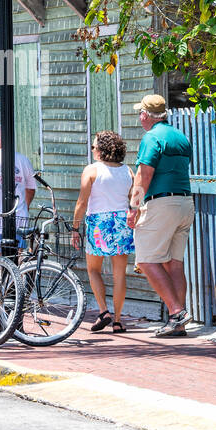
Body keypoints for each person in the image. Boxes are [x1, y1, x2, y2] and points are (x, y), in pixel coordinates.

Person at [129, 94, 194, 338]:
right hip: (185, 202)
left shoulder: (151, 137)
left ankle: (177, 312)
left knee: (145, 260)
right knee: (174, 264)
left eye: (140, 113)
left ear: (145, 115)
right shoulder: (180, 136)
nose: (139, 117)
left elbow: (143, 175)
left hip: (162, 203)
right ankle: (179, 323)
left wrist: (133, 208)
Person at [72, 131, 135, 333]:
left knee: (93, 270)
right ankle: (117, 321)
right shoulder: (128, 172)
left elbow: (82, 203)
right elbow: (133, 201)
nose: (92, 150)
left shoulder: (91, 170)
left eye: (93, 147)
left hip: (99, 222)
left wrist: (75, 227)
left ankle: (103, 311)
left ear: (100, 150)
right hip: (121, 221)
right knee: (119, 275)